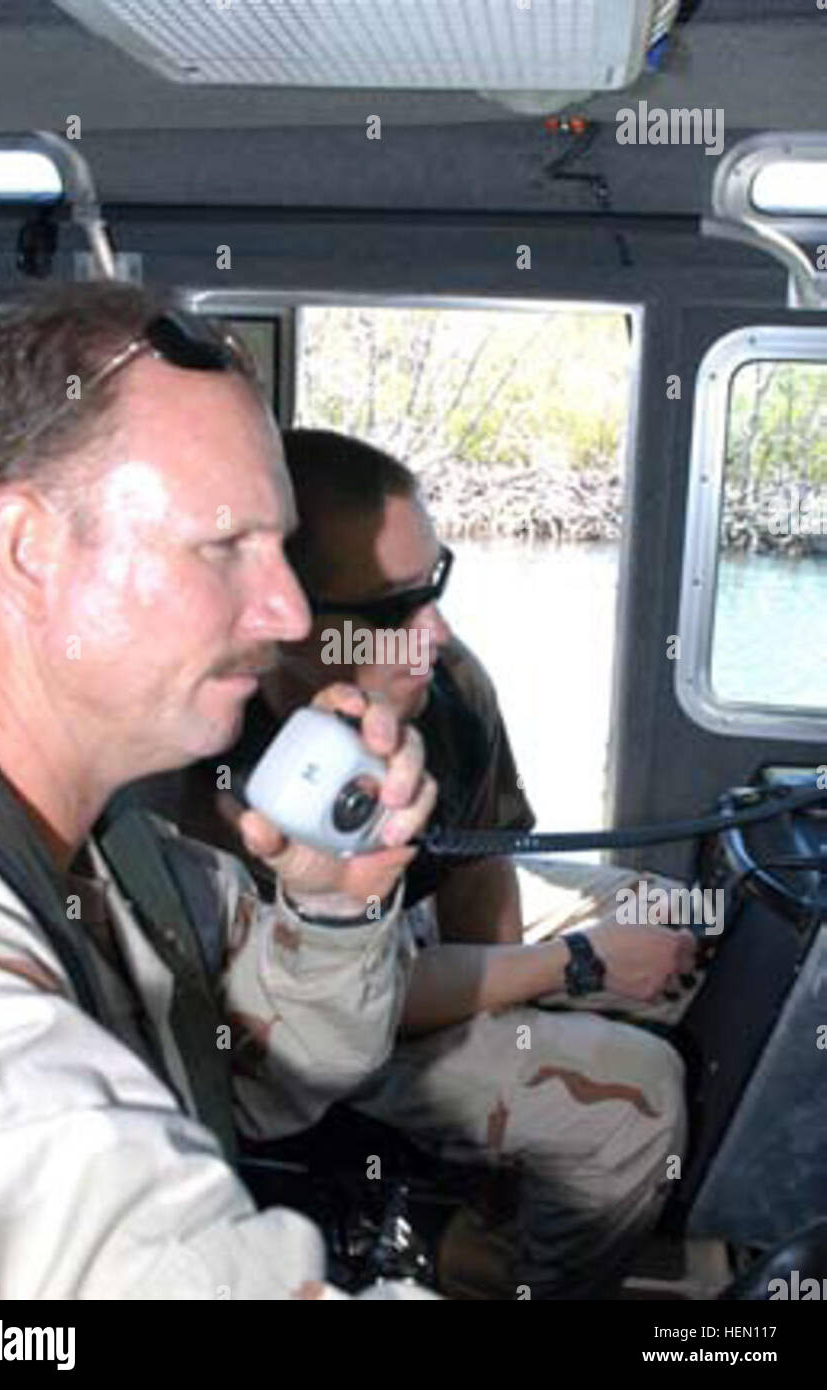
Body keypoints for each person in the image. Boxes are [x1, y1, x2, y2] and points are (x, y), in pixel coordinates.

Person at [0, 288, 440, 1301]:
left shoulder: (120, 849)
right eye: (226, 546)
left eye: (281, 547)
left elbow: (273, 1077)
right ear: (30, 547)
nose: (289, 610)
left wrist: (332, 905)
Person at [166, 428, 699, 1299]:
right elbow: (334, 1009)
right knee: (638, 1093)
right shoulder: (218, 780)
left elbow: (480, 866)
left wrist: (518, 1006)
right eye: (391, 609)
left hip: (406, 934)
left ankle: (503, 1206)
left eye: (435, 585)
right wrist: (580, 962)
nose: (436, 630)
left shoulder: (447, 682)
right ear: (282, 617)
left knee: (673, 923)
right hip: (295, 1029)